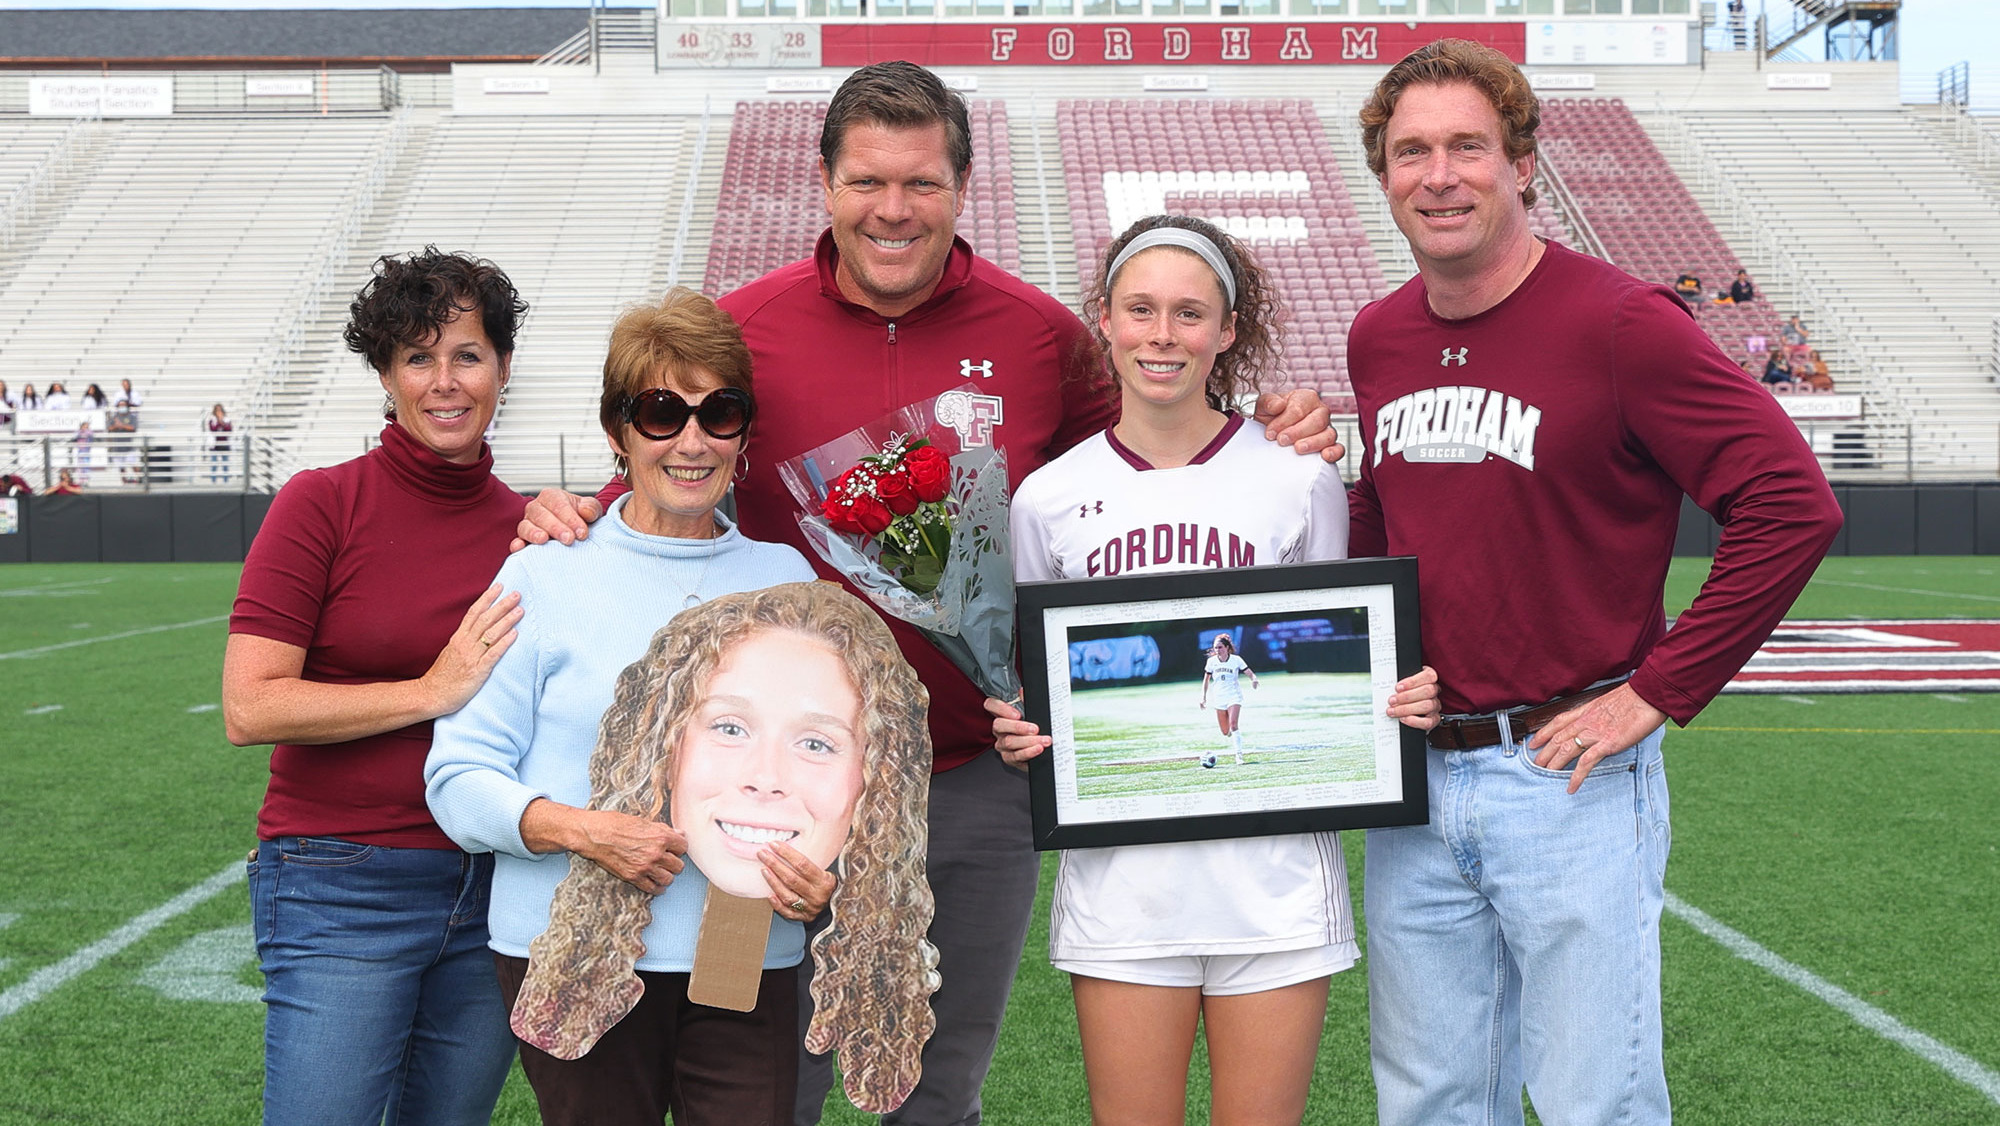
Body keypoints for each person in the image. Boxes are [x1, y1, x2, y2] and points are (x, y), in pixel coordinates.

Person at [512, 61, 1344, 1126]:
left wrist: (1273, 422)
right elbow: (673, 446)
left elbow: (1151, 445)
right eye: (866, 181)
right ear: (822, 183)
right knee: (754, 1082)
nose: (892, 209)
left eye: (920, 183)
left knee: (933, 1086)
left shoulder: (1044, 334)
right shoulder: (744, 326)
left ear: (962, 188)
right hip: (762, 790)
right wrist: (576, 508)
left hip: (969, 789)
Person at [1349, 39, 1841, 1126]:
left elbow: (1790, 504)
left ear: (1521, 163)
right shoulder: (1376, 335)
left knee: (1592, 1102)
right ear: (1381, 173)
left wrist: (1655, 690)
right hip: (1416, 782)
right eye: (1411, 150)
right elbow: (1387, 517)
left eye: (1467, 147)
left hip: (1564, 771)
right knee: (1428, 1100)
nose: (1438, 174)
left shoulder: (1619, 322)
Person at [429, 289, 932, 1124]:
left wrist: (827, 878)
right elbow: (457, 779)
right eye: (662, 412)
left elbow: (832, 773)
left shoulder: (791, 582)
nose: (692, 440)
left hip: (737, 935)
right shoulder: (543, 574)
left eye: (719, 412)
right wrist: (584, 830)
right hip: (575, 938)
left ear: (744, 431)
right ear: (619, 431)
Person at [985, 214, 1440, 1126]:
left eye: (1190, 313)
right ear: (1103, 320)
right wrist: (1023, 727)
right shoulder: (1047, 497)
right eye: (1141, 310)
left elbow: (1331, 652)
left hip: (1272, 886)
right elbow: (1042, 678)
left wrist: (1389, 696)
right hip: (1123, 891)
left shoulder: (1297, 478)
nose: (1164, 335)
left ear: (1227, 330)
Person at [221, 249, 533, 1126]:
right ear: (386, 375)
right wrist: (430, 689)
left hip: (495, 887)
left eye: (467, 355)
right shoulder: (323, 503)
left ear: (503, 369)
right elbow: (251, 706)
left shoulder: (535, 530)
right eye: (417, 357)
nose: (445, 382)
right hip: (341, 878)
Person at [1199, 633, 1258, 769]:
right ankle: (1233, 735)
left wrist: (1254, 679)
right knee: (1225, 731)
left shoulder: (1236, 660)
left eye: (1220, 647)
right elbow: (1206, 680)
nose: (1217, 650)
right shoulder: (1211, 662)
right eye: (1215, 648)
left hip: (1234, 696)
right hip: (1219, 697)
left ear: (1226, 647)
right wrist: (1203, 697)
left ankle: (1238, 755)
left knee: (1233, 724)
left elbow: (1248, 672)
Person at [205, 403, 233, 483]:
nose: (219, 412)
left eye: (220, 410)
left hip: (224, 443)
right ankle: (213, 482)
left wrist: (222, 422)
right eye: (217, 410)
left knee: (225, 465)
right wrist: (219, 422)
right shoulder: (212, 420)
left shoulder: (227, 419)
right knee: (214, 464)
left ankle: (226, 481)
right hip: (215, 444)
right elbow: (213, 429)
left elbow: (228, 429)